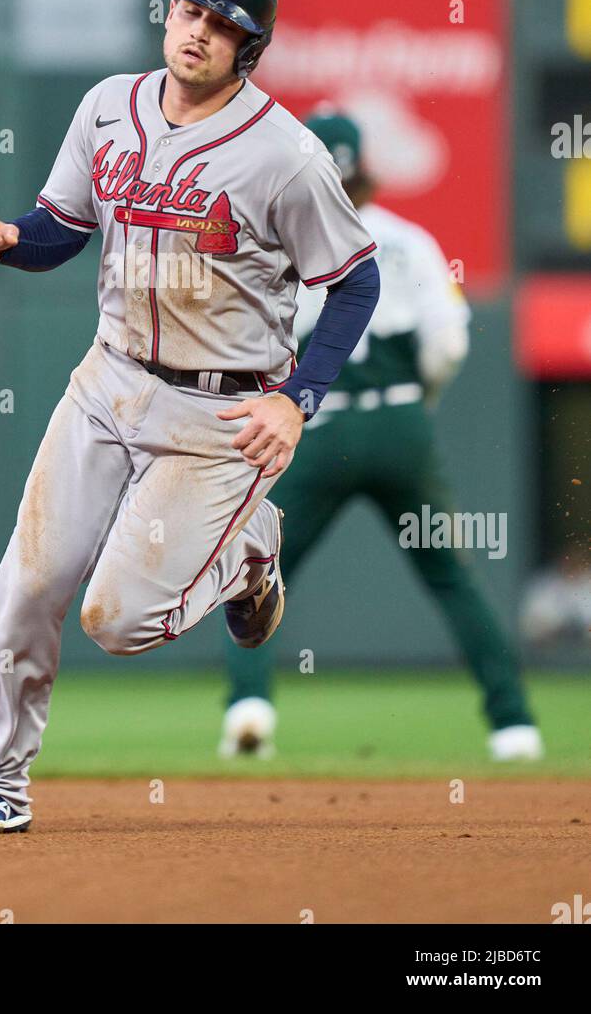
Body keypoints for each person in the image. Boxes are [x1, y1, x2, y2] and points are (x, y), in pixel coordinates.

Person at [0, 0, 380, 833]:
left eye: (223, 28)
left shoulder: (285, 156)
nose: (199, 34)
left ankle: (252, 551)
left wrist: (298, 399)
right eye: (190, 13)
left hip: (222, 412)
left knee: (118, 620)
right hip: (108, 382)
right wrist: (6, 238)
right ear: (169, 12)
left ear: (248, 49)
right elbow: (61, 226)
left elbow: (356, 281)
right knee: (27, 586)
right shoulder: (109, 106)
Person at [220, 110, 543, 765]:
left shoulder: (281, 245)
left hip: (318, 426)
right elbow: (447, 343)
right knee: (451, 577)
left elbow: (254, 349)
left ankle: (248, 709)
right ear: (364, 168)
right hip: (399, 422)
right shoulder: (410, 240)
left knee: (257, 567)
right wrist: (413, 407)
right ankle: (514, 727)